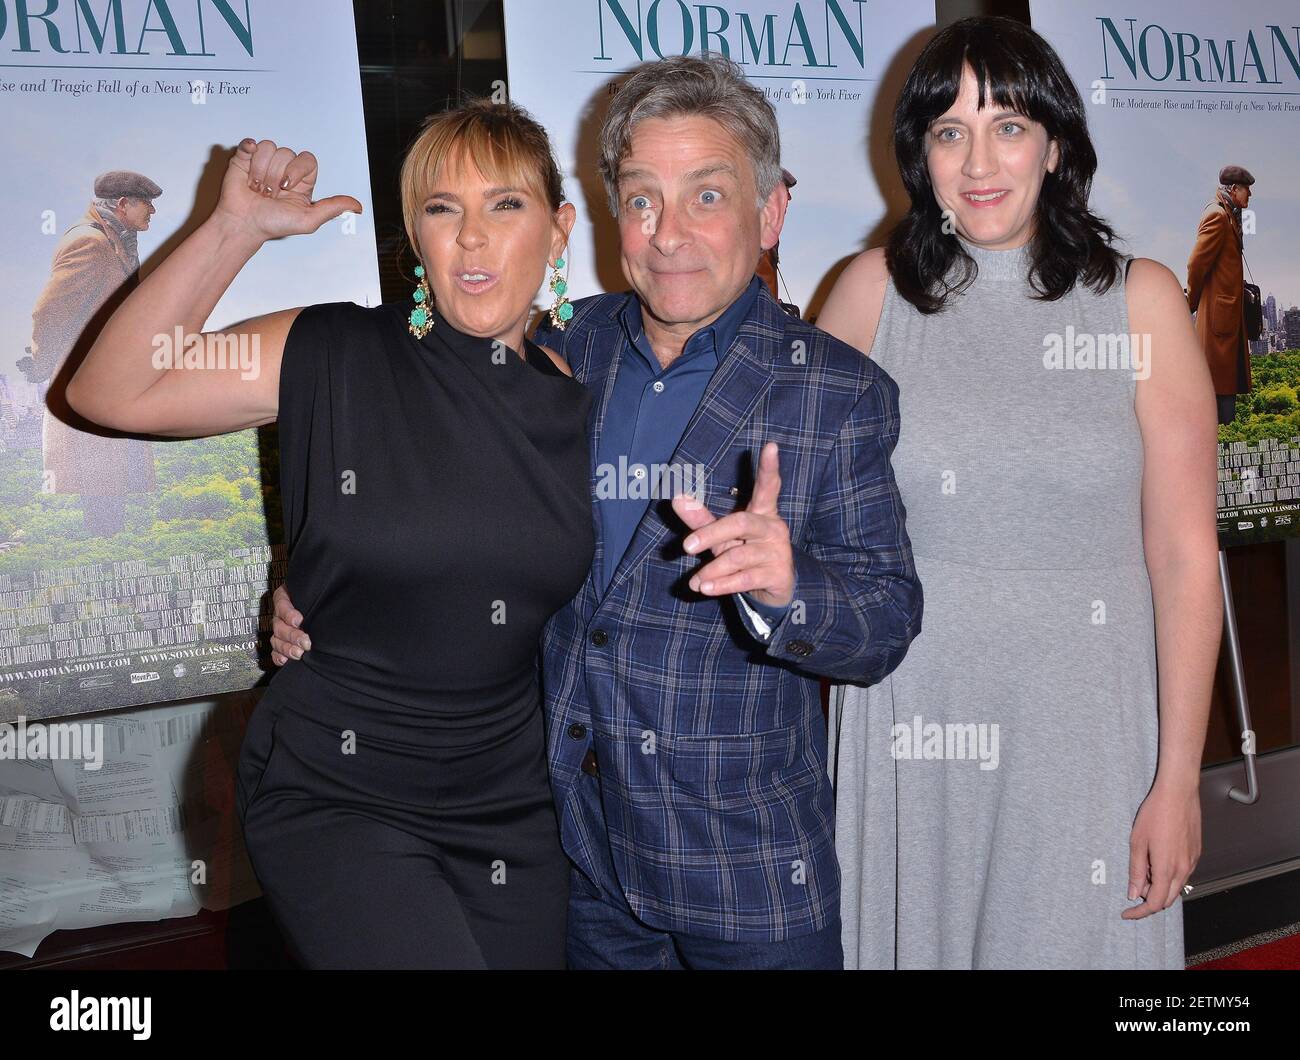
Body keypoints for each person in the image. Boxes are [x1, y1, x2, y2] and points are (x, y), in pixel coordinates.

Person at [272, 53, 923, 969]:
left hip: (749, 872)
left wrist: (791, 588)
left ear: (770, 210)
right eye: (642, 198)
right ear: (610, 213)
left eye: (707, 195)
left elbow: (888, 616)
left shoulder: (841, 392)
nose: (669, 234)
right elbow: (409, 479)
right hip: (571, 859)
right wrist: (314, 589)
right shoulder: (556, 345)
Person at [65, 100, 592, 969]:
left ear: (559, 226)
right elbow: (110, 392)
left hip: (507, 800)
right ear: (414, 236)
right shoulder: (333, 351)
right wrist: (234, 228)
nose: (471, 239)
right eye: (441, 208)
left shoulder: (582, 386)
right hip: (339, 791)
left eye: (506, 205)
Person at [819, 16, 1220, 969]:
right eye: (949, 131)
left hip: (1085, 731)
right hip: (914, 723)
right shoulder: (869, 292)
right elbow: (801, 515)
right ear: (920, 154)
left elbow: (1183, 560)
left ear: (1054, 143)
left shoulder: (1142, 300)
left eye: (1007, 125)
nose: (978, 159)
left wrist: (1178, 780)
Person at [21, 171, 161, 535]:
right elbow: (51, 310)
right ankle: (104, 550)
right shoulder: (90, 242)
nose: (152, 211)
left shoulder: (116, 241)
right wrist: (42, 361)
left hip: (112, 374)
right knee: (102, 484)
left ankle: (110, 547)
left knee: (113, 479)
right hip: (92, 377)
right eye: (147, 203)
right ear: (123, 204)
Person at [1186, 165, 1255, 424]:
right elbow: (1196, 263)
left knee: (1224, 386)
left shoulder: (1229, 215)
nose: (1250, 195)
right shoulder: (1217, 216)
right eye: (1247, 189)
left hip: (1226, 316)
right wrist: (1190, 302)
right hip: (1218, 320)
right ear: (1234, 189)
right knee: (1217, 389)